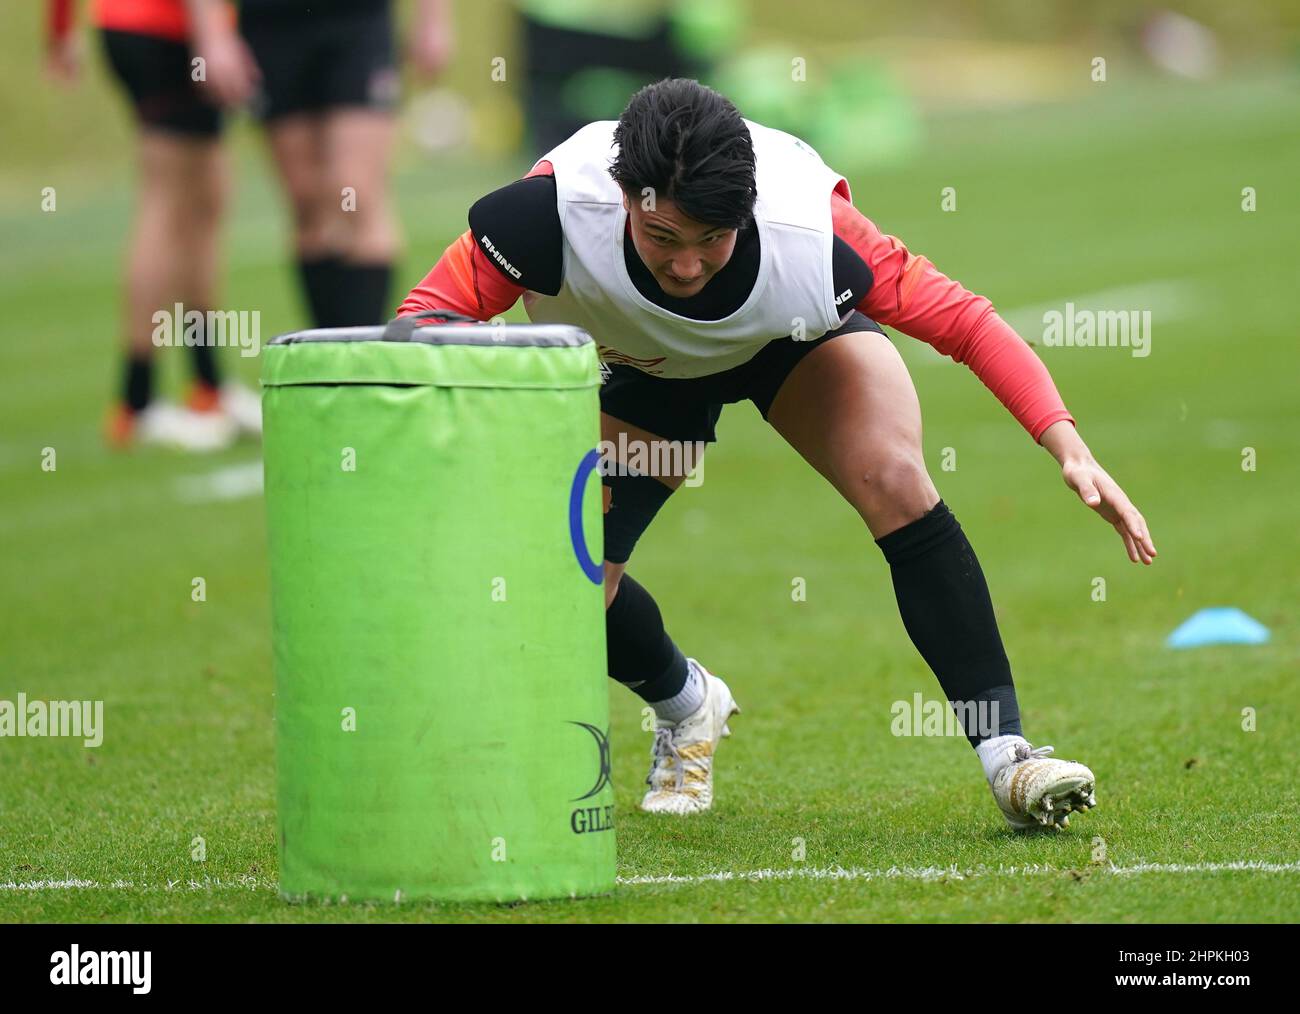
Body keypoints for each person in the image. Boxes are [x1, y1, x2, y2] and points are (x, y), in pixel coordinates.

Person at [397, 79, 1158, 831]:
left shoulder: (813, 234)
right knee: (568, 585)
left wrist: (1067, 444)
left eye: (712, 241)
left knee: (895, 478)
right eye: (663, 238)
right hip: (639, 373)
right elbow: (423, 321)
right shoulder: (548, 212)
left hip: (788, 345)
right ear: (626, 197)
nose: (687, 267)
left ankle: (1009, 756)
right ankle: (686, 702)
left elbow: (962, 321)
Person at [46, 0, 263, 451]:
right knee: (167, 200)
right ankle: (136, 402)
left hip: (142, 26)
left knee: (204, 198)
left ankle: (208, 386)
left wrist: (62, 25)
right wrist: (212, 37)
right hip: (169, 29)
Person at [238, 0, 452, 329]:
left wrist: (432, 20)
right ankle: (327, 356)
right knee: (306, 203)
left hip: (357, 21)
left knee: (356, 194)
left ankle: (364, 362)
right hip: (271, 24)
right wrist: (212, 37)